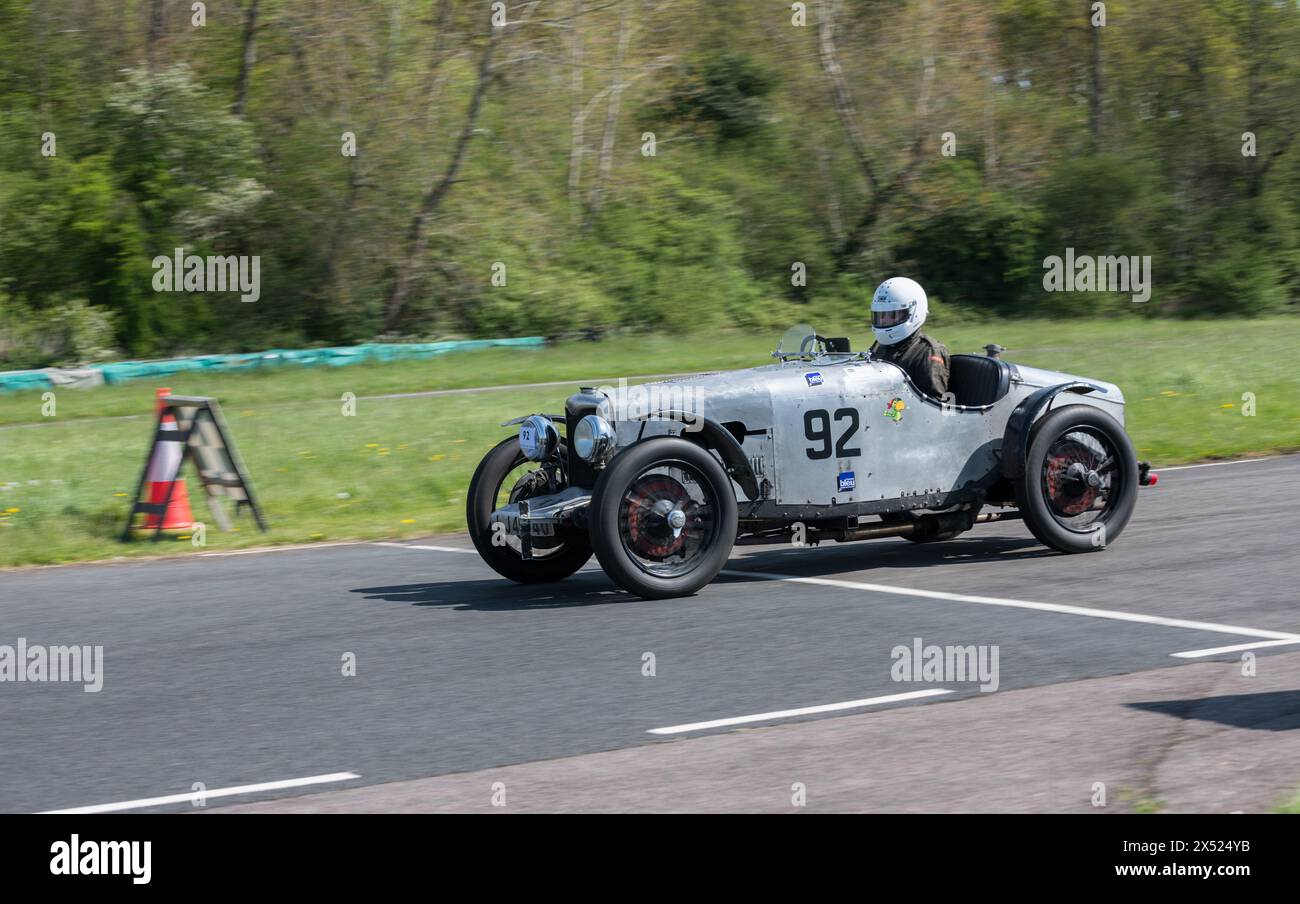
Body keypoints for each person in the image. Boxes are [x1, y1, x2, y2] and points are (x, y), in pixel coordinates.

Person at [868, 276, 949, 399]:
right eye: (880, 315)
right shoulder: (880, 347)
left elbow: (933, 406)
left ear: (913, 313)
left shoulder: (928, 351)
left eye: (891, 315)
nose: (884, 320)